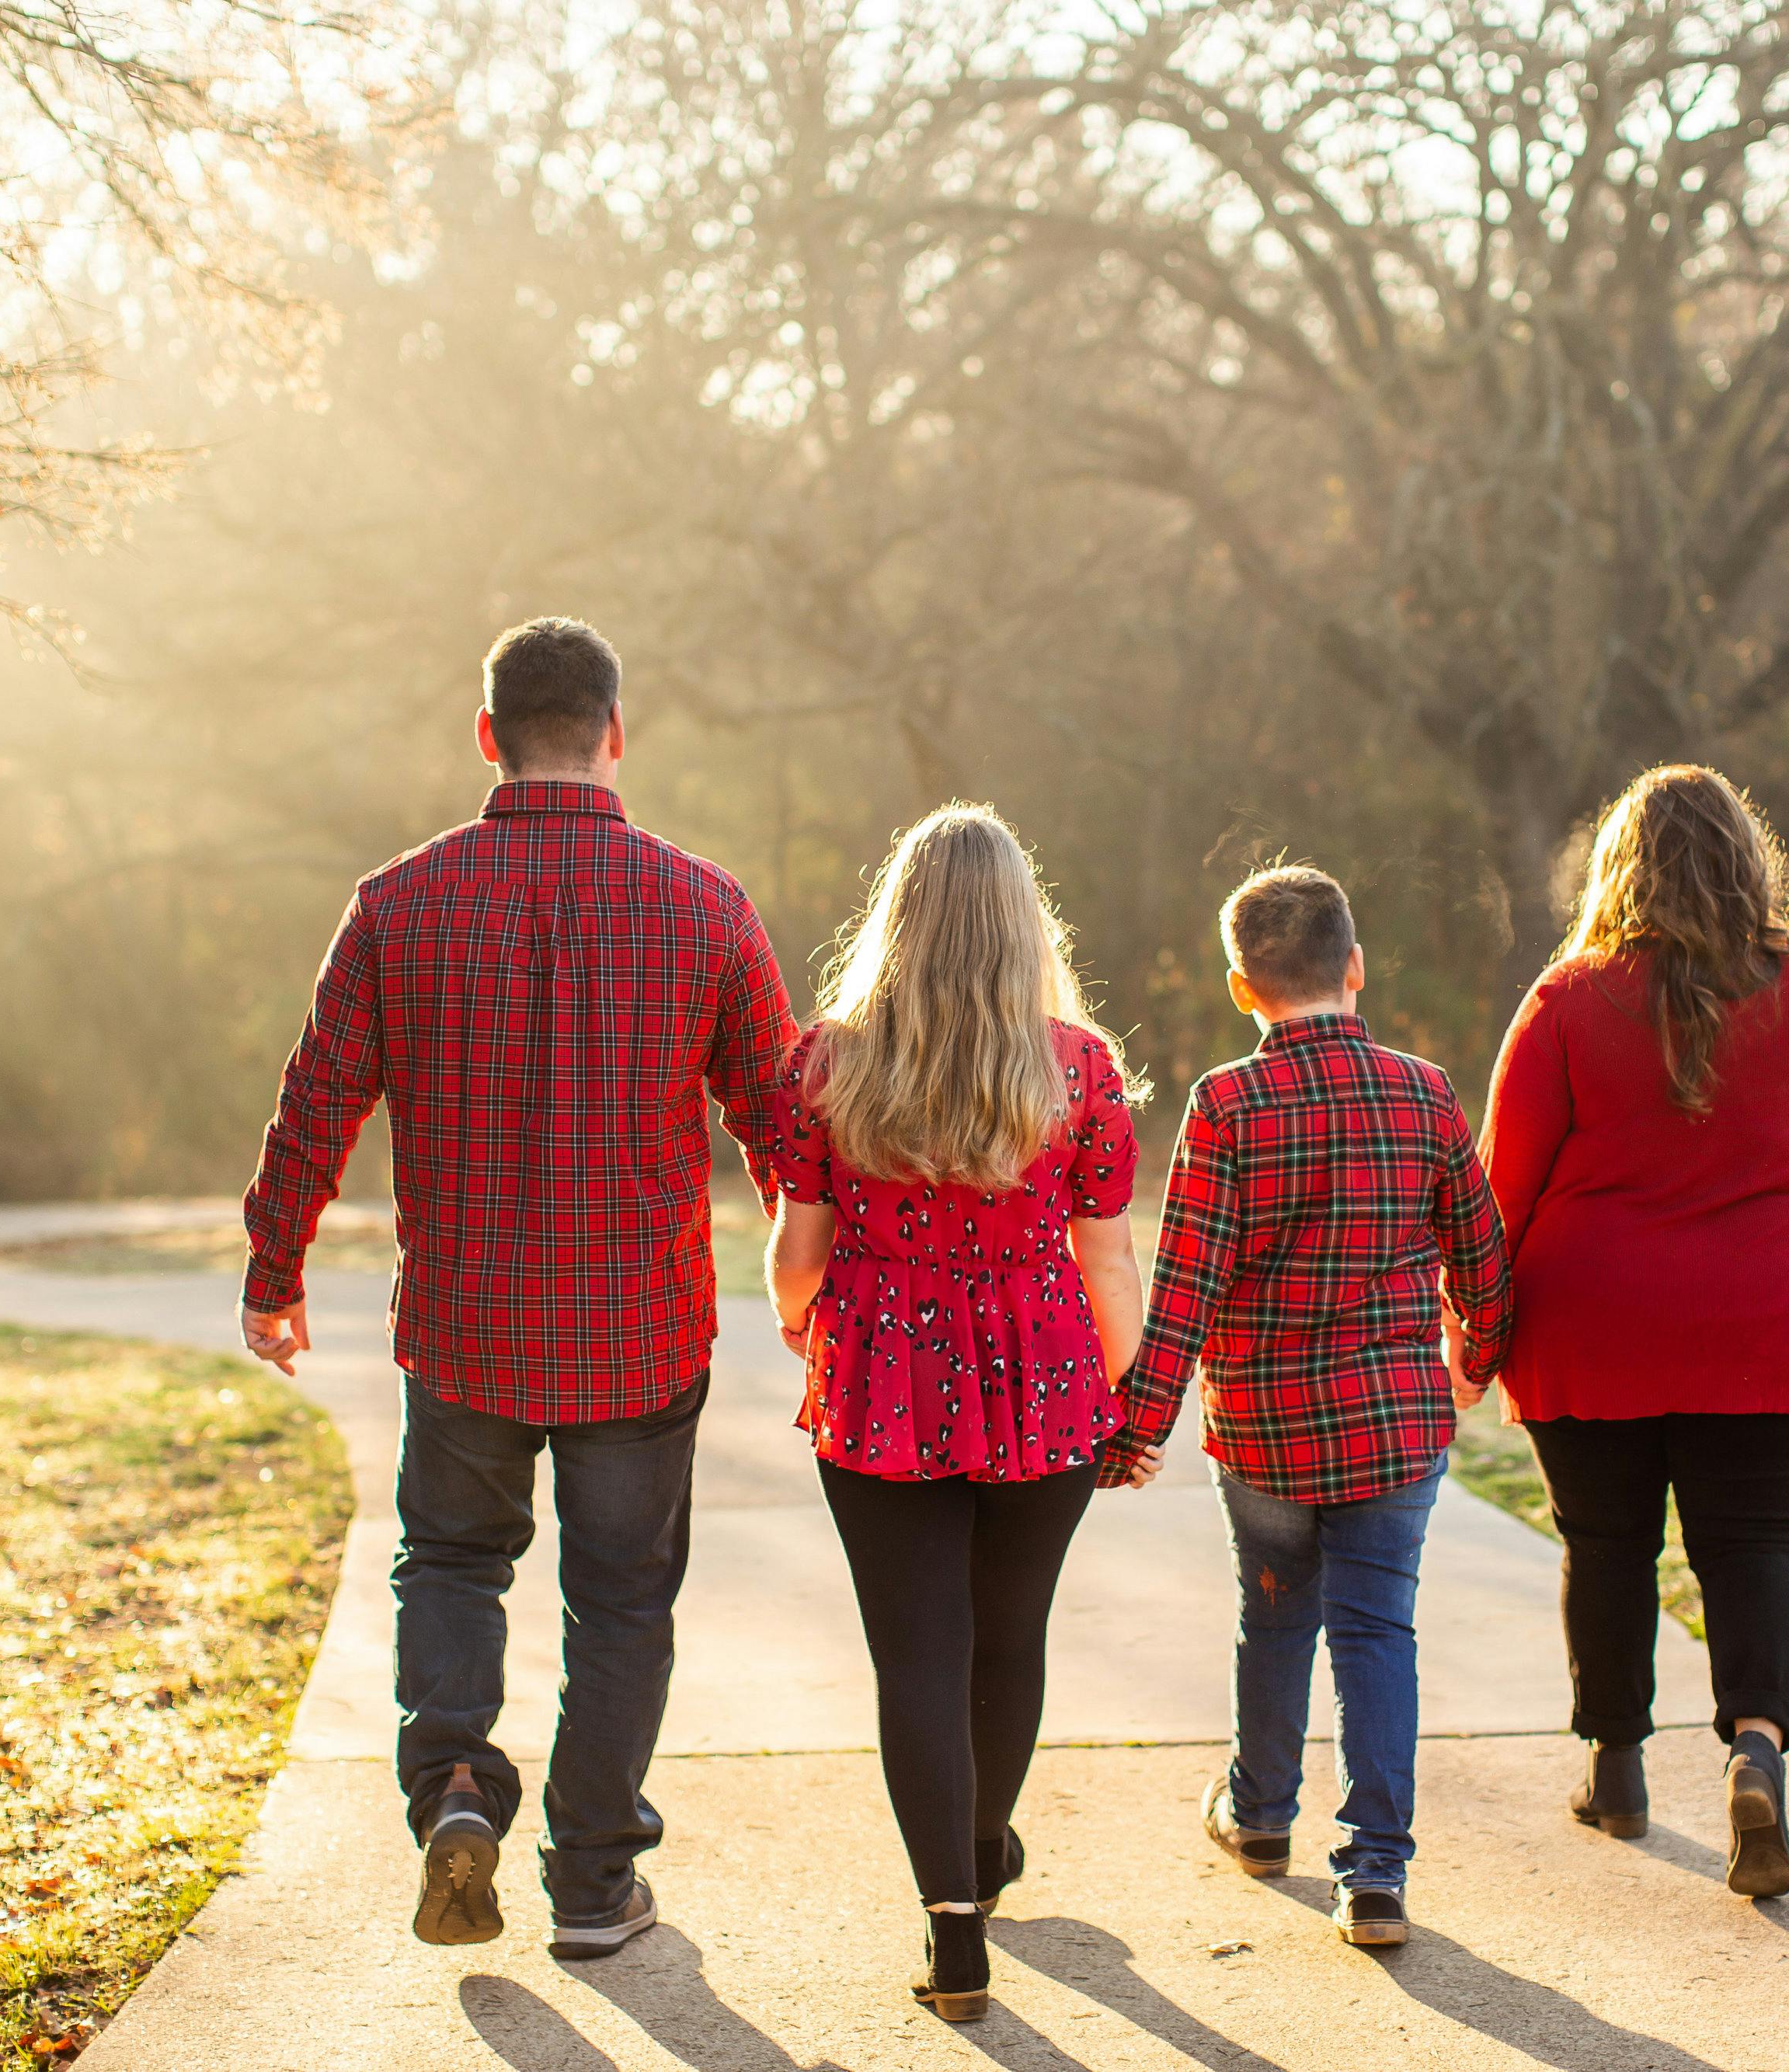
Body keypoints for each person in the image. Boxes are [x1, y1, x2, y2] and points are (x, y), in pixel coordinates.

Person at [238, 618, 799, 1955]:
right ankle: (596, 1887)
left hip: (467, 1325)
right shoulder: (705, 905)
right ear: (617, 734)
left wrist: (277, 1266)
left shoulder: (401, 901)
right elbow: (778, 1117)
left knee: (450, 1564)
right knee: (620, 1603)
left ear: (487, 737)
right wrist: (814, 1282)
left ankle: (456, 1797)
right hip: (642, 1330)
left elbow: (316, 1100)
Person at [1472, 764, 1789, 1900]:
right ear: (1749, 867)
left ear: (1622, 867)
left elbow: (1502, 1192)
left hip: (1591, 1326)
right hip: (1768, 1328)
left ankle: (1615, 1768)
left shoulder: (1567, 1002)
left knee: (1607, 1547)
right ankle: (1756, 1748)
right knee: (1753, 1546)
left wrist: (1479, 1327)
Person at [761, 804, 1147, 2023]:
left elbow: (795, 1248)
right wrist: (1128, 1398)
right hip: (1043, 1377)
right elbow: (1107, 1261)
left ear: (900, 918)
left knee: (915, 1653)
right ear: (1023, 925)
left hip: (882, 1378)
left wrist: (798, 1321)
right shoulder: (1075, 1067)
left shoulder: (828, 1062)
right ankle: (980, 1850)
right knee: (1009, 1635)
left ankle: (952, 1920)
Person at [1098, 864, 1512, 1950]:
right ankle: (1375, 1874)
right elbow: (1482, 1252)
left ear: (1244, 989)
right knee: (1378, 1632)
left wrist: (1137, 1425)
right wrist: (1481, 1351)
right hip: (1393, 1425)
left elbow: (1184, 1285)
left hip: (1268, 1431)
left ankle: (1263, 1818)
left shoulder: (1227, 1106)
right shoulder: (1425, 1092)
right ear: (1356, 967)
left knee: (1274, 1618)